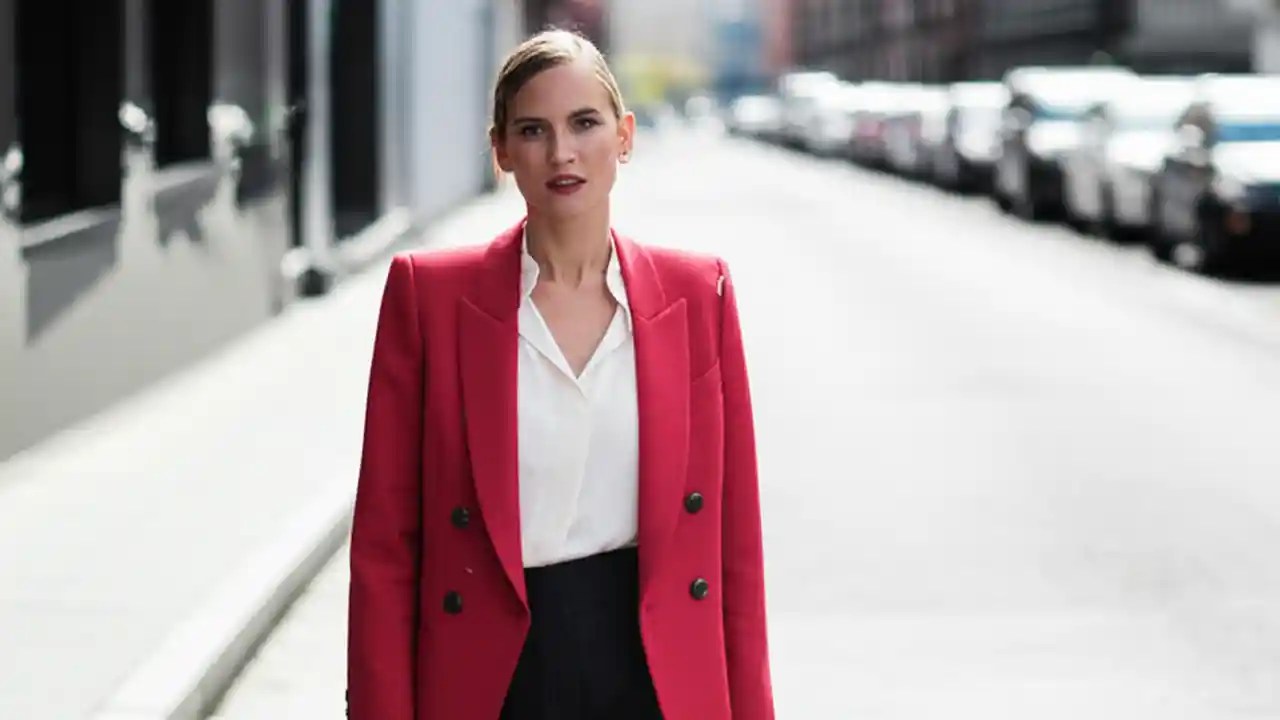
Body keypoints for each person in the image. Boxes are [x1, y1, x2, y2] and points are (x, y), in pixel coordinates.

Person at [346, 29, 774, 720]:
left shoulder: (698, 294)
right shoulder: (428, 298)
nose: (562, 152)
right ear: (501, 151)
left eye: (584, 123)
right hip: (492, 677)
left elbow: (735, 554)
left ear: (624, 136)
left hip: (656, 678)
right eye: (533, 130)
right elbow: (384, 551)